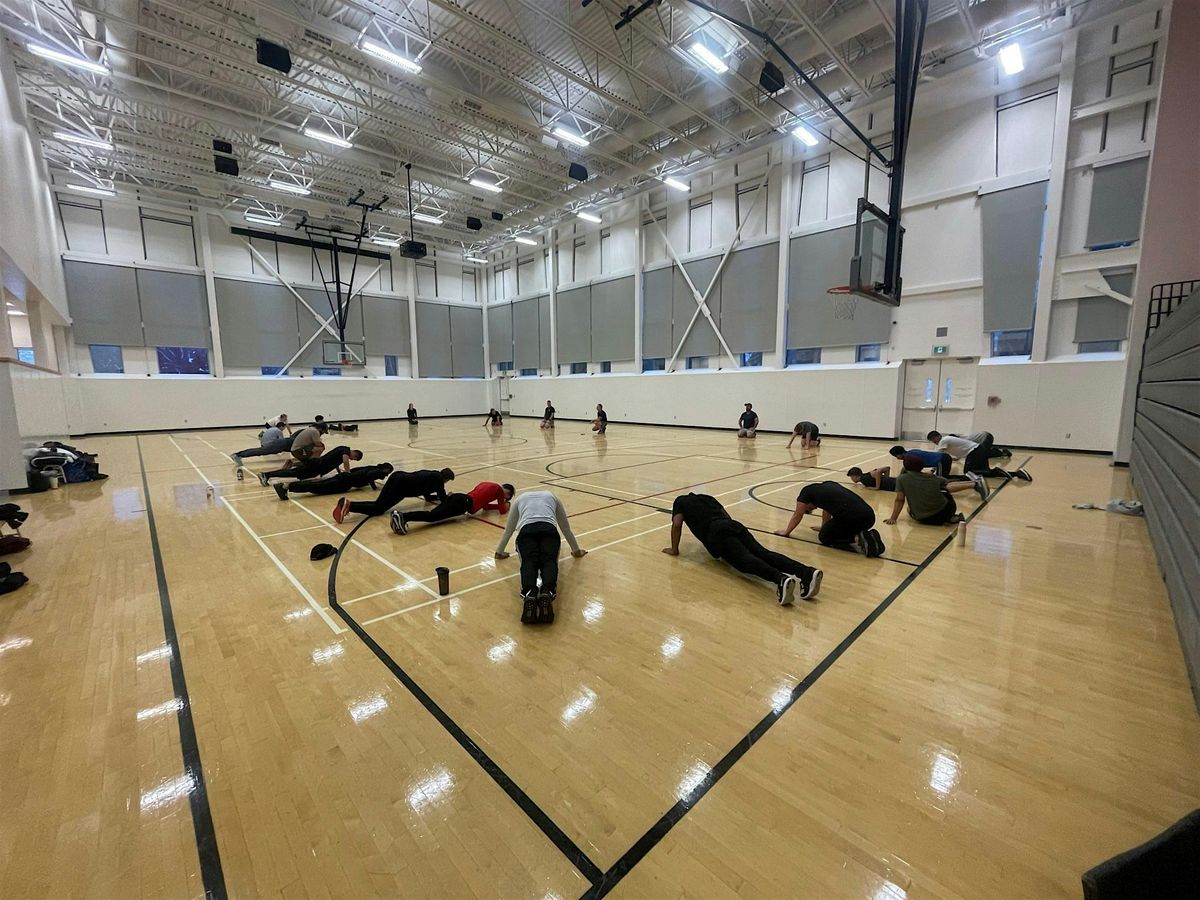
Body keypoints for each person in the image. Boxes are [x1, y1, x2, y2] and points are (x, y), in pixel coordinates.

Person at [663, 493, 821, 606]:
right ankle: (806, 572)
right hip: (733, 525)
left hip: (716, 532)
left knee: (745, 561)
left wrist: (674, 549)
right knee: (763, 553)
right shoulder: (707, 498)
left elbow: (677, 524)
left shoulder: (680, 502)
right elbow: (726, 514)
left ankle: (781, 580)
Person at [494, 490, 586, 625]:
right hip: (549, 531)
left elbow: (509, 529)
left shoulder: (520, 499)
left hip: (526, 533)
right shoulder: (553, 496)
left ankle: (530, 593)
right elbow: (566, 528)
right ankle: (547, 591)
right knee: (549, 562)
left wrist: (499, 551)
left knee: (528, 563)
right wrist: (576, 550)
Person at [776, 481, 885, 557]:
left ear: (805, 501)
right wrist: (824, 527)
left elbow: (797, 514)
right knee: (829, 529)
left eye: (808, 509)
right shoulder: (827, 486)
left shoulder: (805, 493)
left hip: (853, 517)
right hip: (869, 516)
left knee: (824, 537)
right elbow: (827, 509)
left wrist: (786, 532)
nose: (813, 509)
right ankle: (867, 536)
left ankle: (858, 538)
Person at [884, 453, 984, 526]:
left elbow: (900, 500)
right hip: (946, 512)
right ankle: (974, 484)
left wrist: (893, 518)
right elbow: (947, 482)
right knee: (944, 489)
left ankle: (974, 484)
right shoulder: (932, 477)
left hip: (924, 519)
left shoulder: (902, 479)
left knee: (909, 509)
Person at [333, 468, 455, 523]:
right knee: (378, 509)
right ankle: (349, 505)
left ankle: (349, 505)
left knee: (378, 505)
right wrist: (448, 498)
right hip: (402, 487)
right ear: (446, 478)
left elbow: (428, 497)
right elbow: (444, 499)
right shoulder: (438, 480)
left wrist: (438, 497)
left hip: (398, 477)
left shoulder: (433, 476)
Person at [392, 482, 515, 533]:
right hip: (463, 504)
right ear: (507, 492)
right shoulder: (499, 490)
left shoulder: (487, 484)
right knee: (432, 517)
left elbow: (486, 507)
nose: (505, 497)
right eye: (507, 496)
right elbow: (502, 510)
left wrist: (495, 505)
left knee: (432, 515)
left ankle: (403, 517)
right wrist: (507, 505)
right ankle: (403, 516)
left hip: (459, 498)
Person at [926, 430, 1031, 482]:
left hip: (974, 452)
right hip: (978, 450)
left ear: (938, 436)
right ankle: (1017, 473)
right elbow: (956, 453)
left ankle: (998, 471)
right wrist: (955, 458)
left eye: (933, 440)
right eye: (932, 441)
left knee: (969, 473)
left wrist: (932, 471)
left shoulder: (943, 440)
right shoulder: (946, 440)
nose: (934, 442)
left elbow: (939, 456)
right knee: (984, 472)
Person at [273, 463, 393, 500]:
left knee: (317, 486)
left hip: (344, 478)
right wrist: (374, 487)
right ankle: (285, 487)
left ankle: (287, 487)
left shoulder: (372, 467)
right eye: (388, 472)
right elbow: (370, 476)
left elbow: (357, 470)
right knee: (317, 487)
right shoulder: (377, 472)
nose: (387, 475)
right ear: (385, 469)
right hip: (344, 483)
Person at [258, 446, 363, 485]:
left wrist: (339, 470)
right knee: (293, 473)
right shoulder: (345, 450)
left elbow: (336, 460)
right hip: (317, 466)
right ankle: (266, 475)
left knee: (295, 474)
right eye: (354, 458)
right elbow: (345, 461)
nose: (351, 459)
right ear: (355, 453)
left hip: (316, 468)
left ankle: (293, 463)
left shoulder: (342, 451)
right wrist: (348, 472)